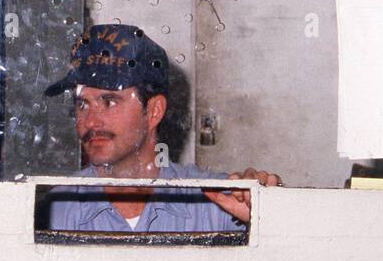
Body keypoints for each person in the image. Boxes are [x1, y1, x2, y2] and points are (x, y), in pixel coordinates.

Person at [41, 23, 281, 233]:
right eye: (82, 104)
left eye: (109, 102)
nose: (90, 121)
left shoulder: (217, 202)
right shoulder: (53, 210)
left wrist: (270, 214)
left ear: (154, 111)